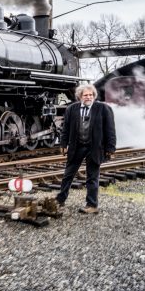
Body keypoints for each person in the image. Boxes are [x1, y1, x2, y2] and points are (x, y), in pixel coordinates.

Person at [57, 84, 116, 214]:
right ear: (80, 97)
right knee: (68, 174)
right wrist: (63, 144)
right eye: (85, 95)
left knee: (92, 177)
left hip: (95, 147)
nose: (88, 97)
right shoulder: (72, 109)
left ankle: (92, 205)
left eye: (90, 95)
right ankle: (59, 200)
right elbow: (65, 129)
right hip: (76, 146)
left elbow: (110, 129)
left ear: (94, 96)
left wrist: (111, 148)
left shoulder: (103, 108)